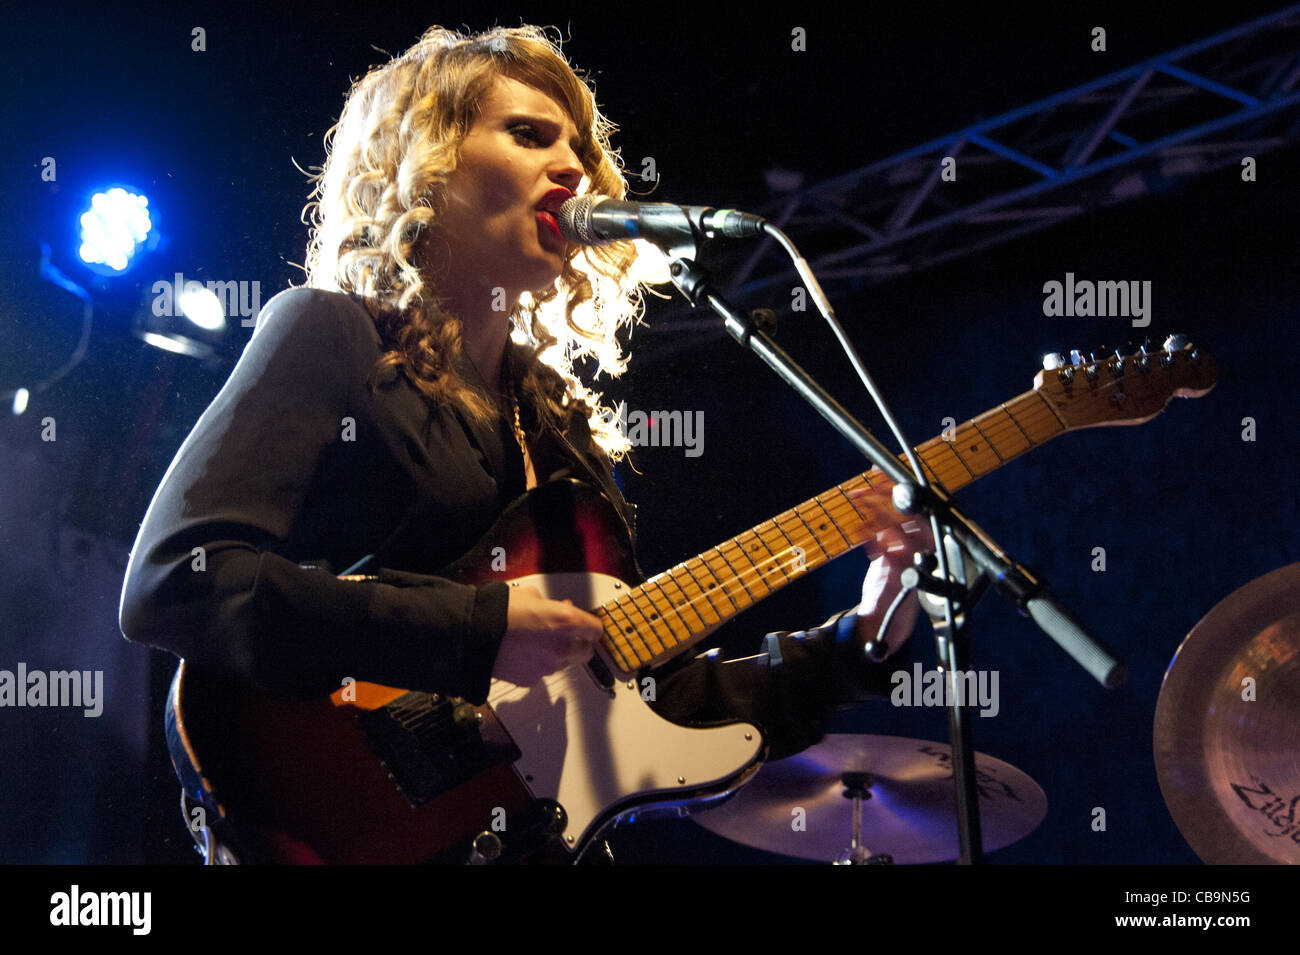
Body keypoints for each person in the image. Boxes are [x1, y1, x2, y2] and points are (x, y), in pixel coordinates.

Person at [118, 24, 931, 862]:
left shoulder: (558, 427)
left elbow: (637, 700)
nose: (575, 165)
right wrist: (481, 624)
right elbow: (175, 582)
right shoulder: (333, 334)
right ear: (427, 162)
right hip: (333, 815)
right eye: (529, 134)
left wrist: (860, 636)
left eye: (579, 143)